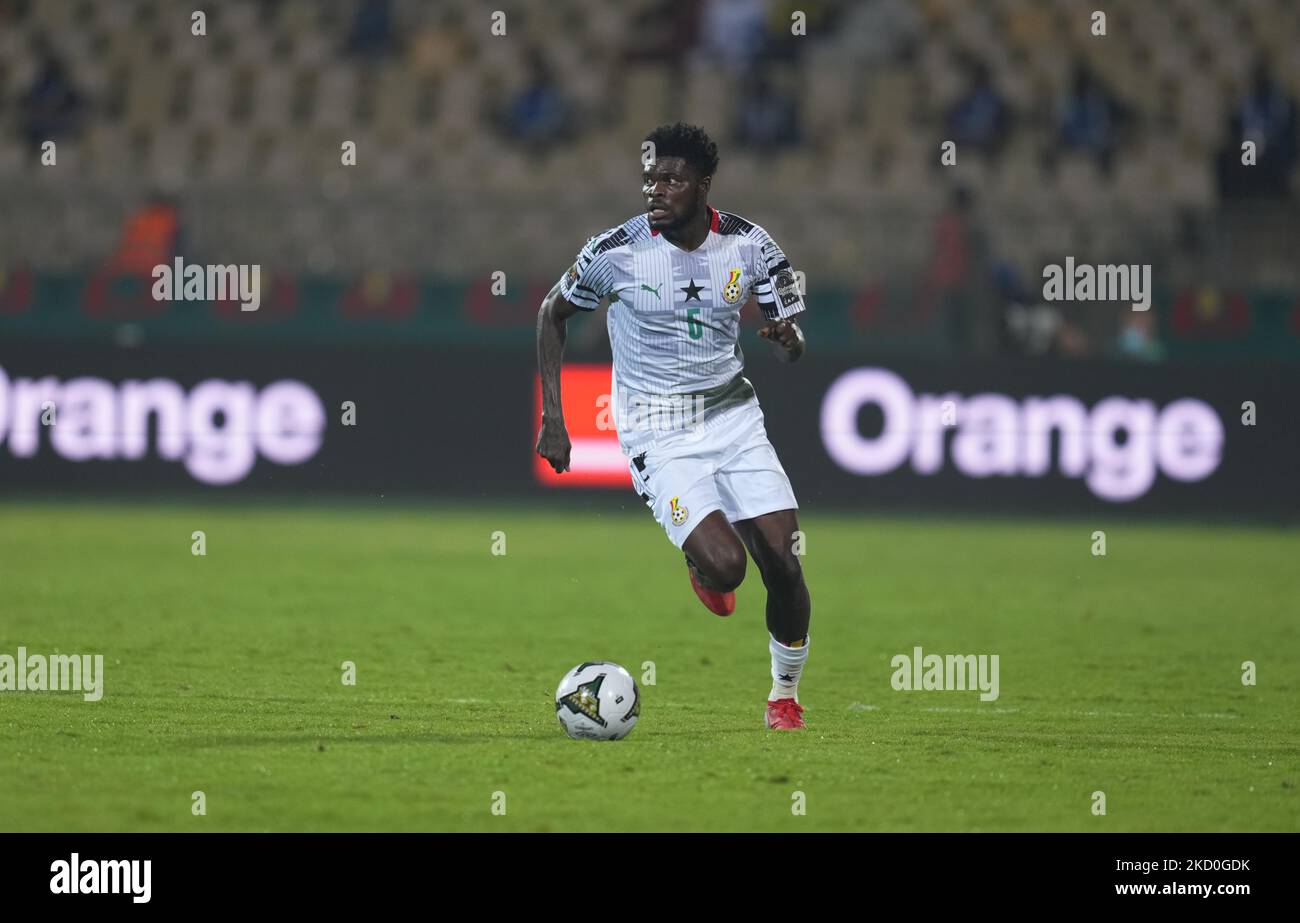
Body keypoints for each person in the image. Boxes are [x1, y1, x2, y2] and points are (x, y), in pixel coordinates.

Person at [535, 123, 813, 730]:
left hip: (734, 416)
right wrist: (555, 418)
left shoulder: (750, 245)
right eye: (650, 179)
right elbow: (550, 314)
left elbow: (791, 339)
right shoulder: (616, 252)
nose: (655, 190)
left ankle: (783, 698)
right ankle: (702, 567)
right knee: (729, 566)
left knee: (786, 562)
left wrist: (788, 341)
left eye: (671, 180)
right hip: (657, 430)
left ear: (702, 186)